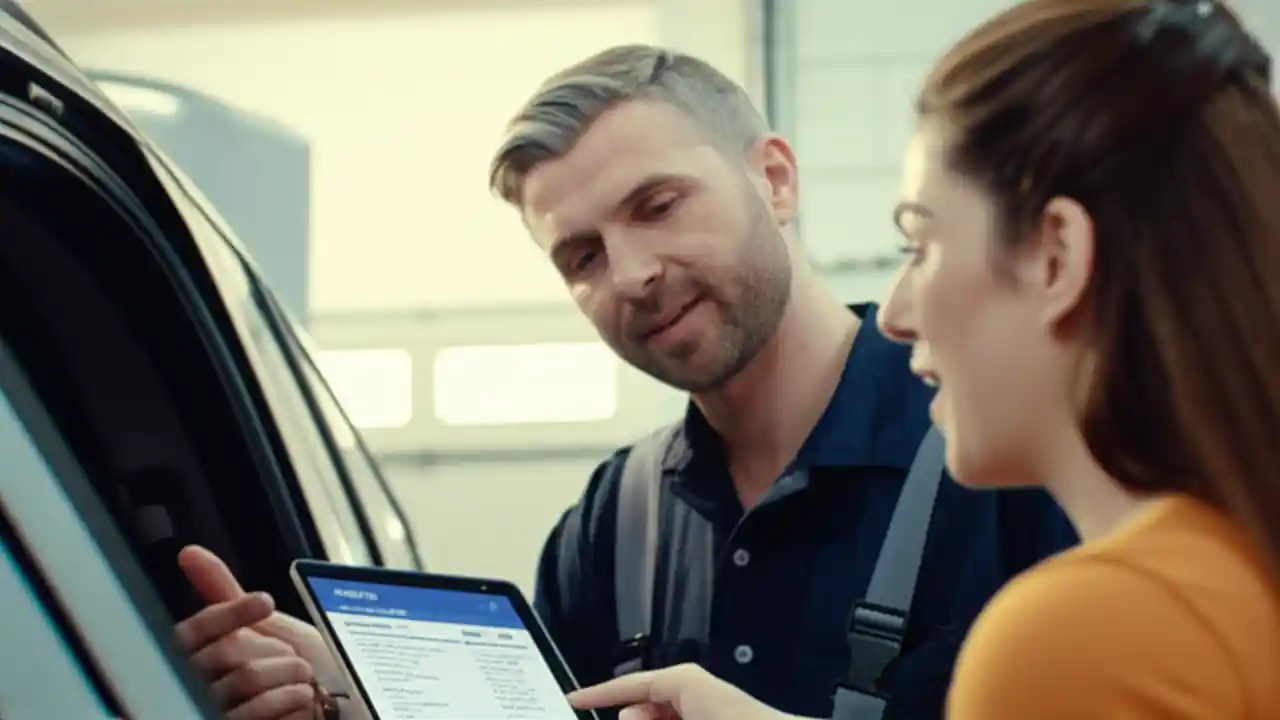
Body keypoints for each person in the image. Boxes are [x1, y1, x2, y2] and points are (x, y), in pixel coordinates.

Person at [172, 45, 1077, 720]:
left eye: (658, 205)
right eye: (582, 254)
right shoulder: (615, 523)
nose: (632, 273)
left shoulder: (1018, 458)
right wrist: (345, 698)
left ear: (775, 179)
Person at [565, 1, 1280, 719]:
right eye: (582, 255)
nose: (898, 315)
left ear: (1057, 257)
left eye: (920, 245)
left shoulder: (1076, 634)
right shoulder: (1235, 577)